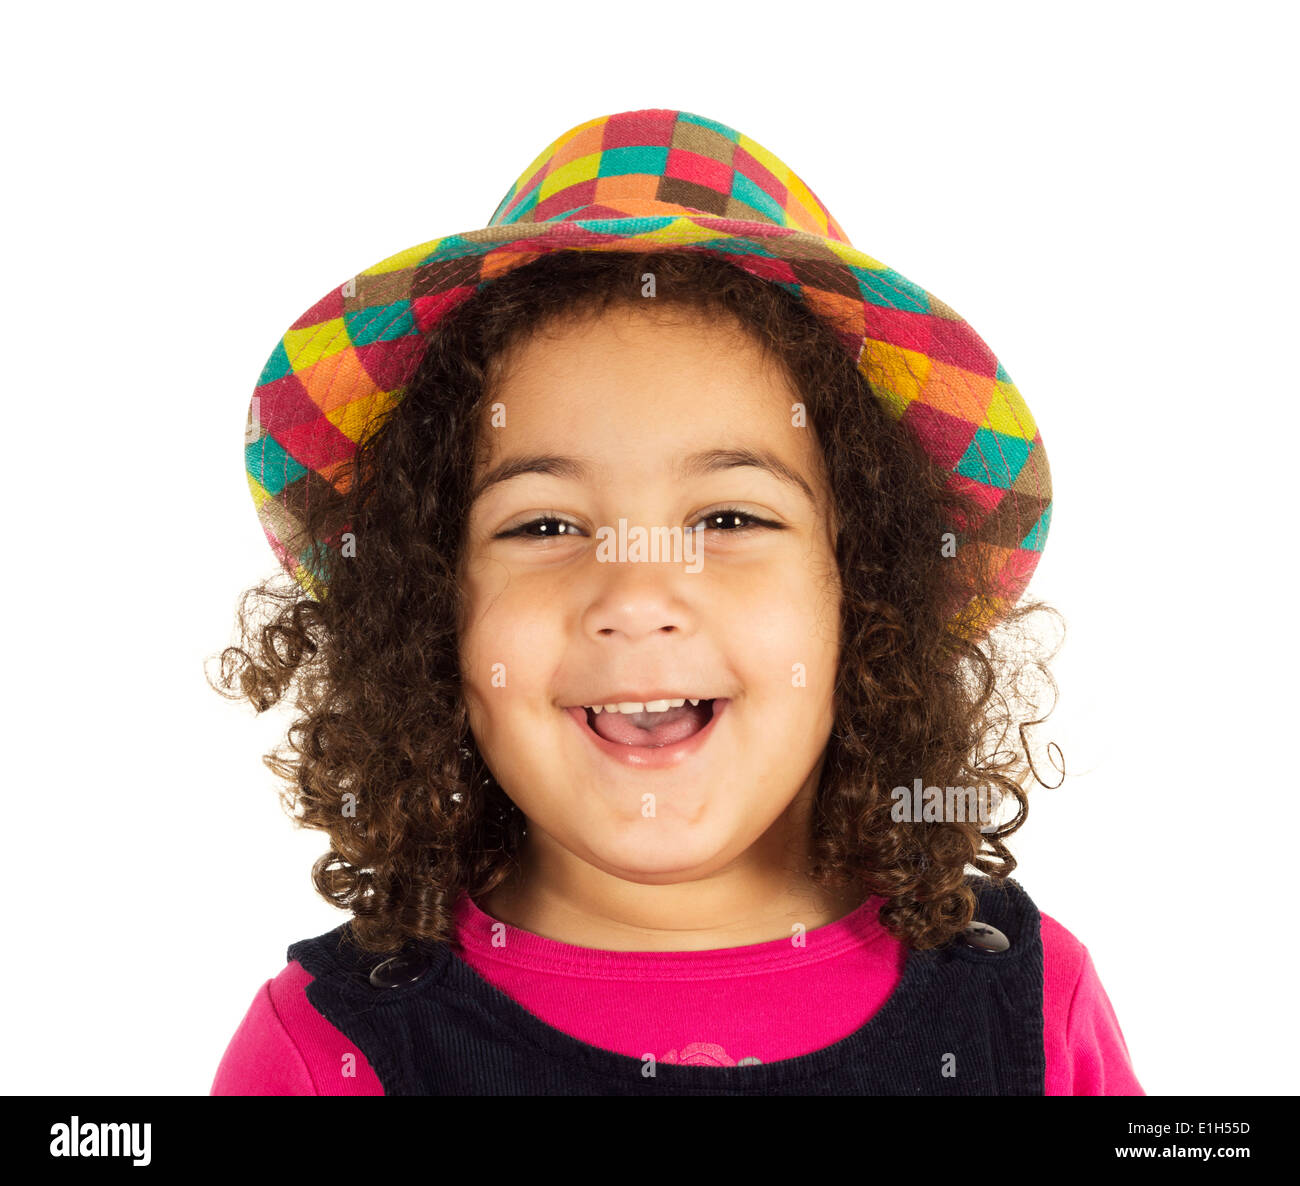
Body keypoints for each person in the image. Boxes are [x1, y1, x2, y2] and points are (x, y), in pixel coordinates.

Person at [209, 108, 1141, 1095]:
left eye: (731, 517)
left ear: (862, 591)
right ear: (431, 606)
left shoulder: (1024, 1009)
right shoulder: (329, 1050)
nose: (638, 594)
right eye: (543, 526)